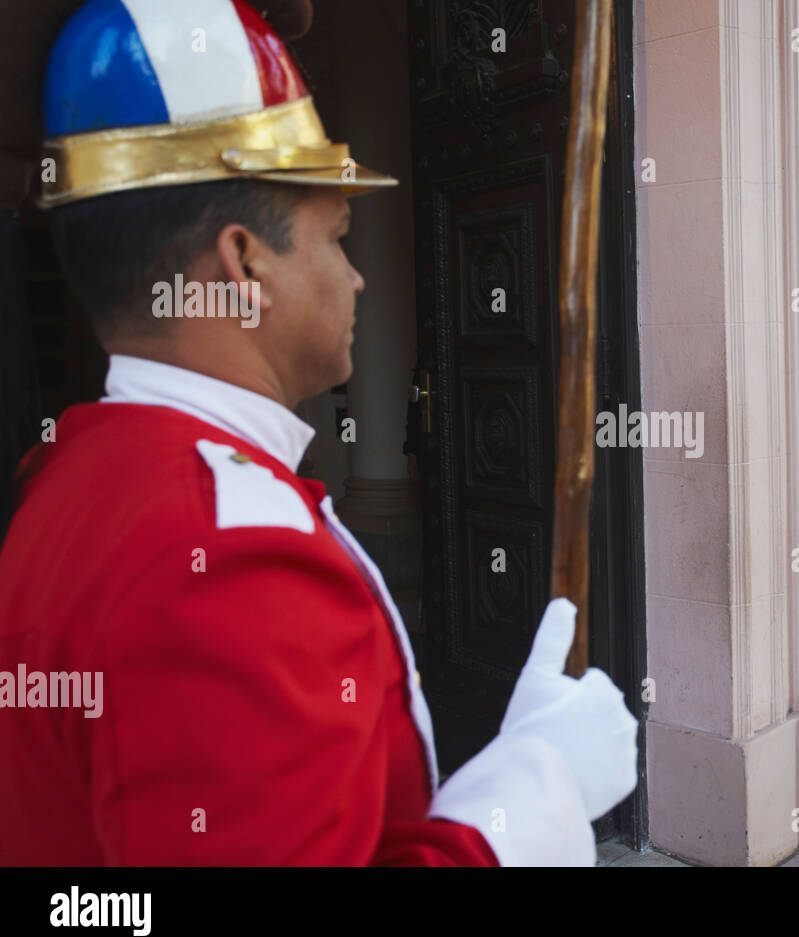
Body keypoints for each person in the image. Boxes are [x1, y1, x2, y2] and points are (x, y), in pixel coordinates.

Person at [0, 0, 636, 866]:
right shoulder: (224, 559)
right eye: (335, 237)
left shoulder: (74, 473)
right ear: (244, 264)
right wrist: (534, 796)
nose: (358, 275)